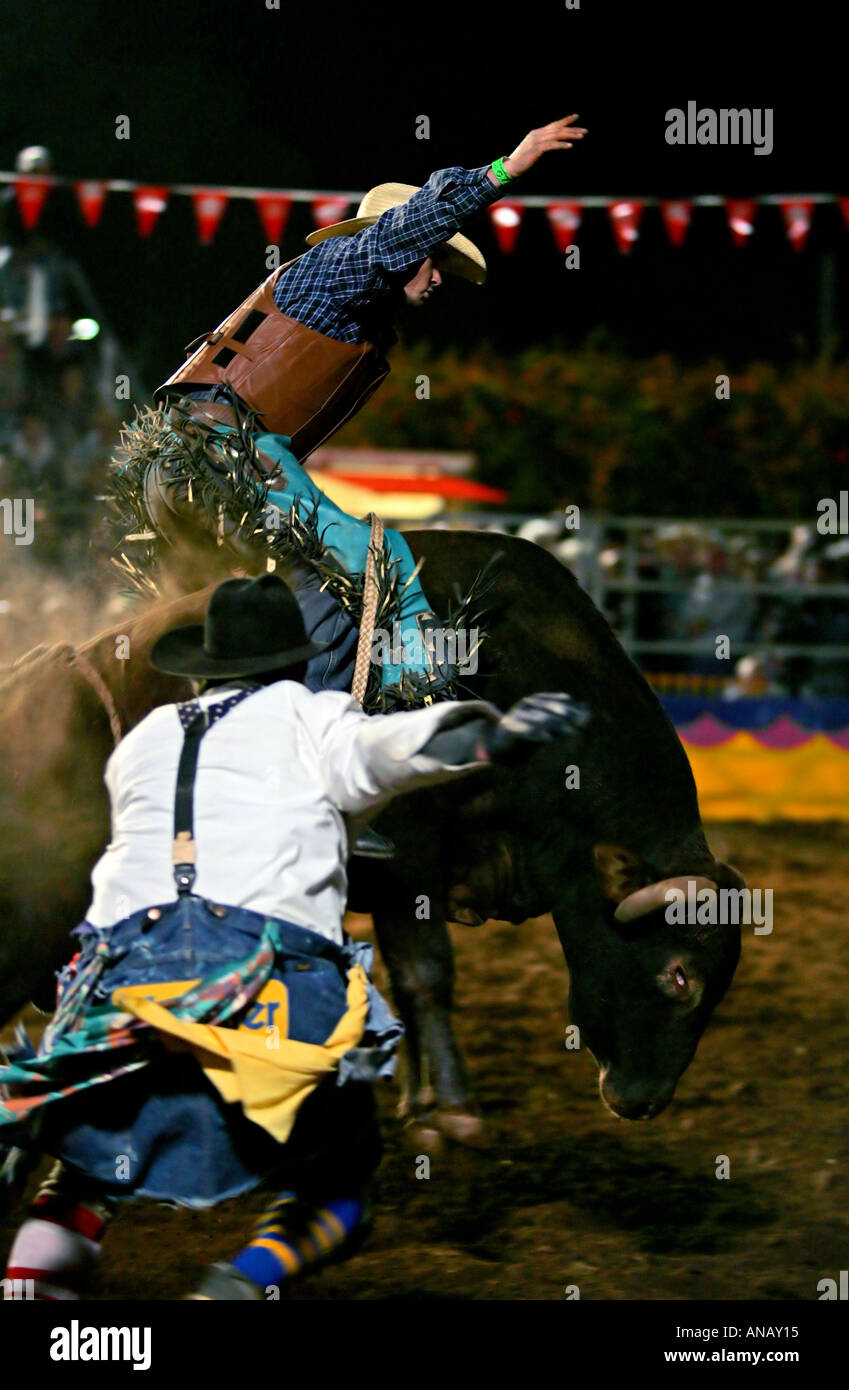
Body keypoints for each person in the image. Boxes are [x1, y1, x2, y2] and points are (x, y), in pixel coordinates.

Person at [0, 573, 587, 1300]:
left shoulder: (143, 742)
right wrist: (497, 732)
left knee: (83, 1181)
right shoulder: (314, 719)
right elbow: (397, 748)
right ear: (296, 664)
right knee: (335, 1195)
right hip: (262, 976)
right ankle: (235, 1291)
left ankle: (30, 1297)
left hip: (124, 978)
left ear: (202, 668)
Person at [119, 116, 587, 702]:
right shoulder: (348, 263)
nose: (440, 276)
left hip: (181, 458)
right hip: (222, 448)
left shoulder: (343, 300)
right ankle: (376, 709)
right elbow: (405, 230)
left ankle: (214, 709)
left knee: (245, 599)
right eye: (435, 259)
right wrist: (504, 170)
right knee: (371, 563)